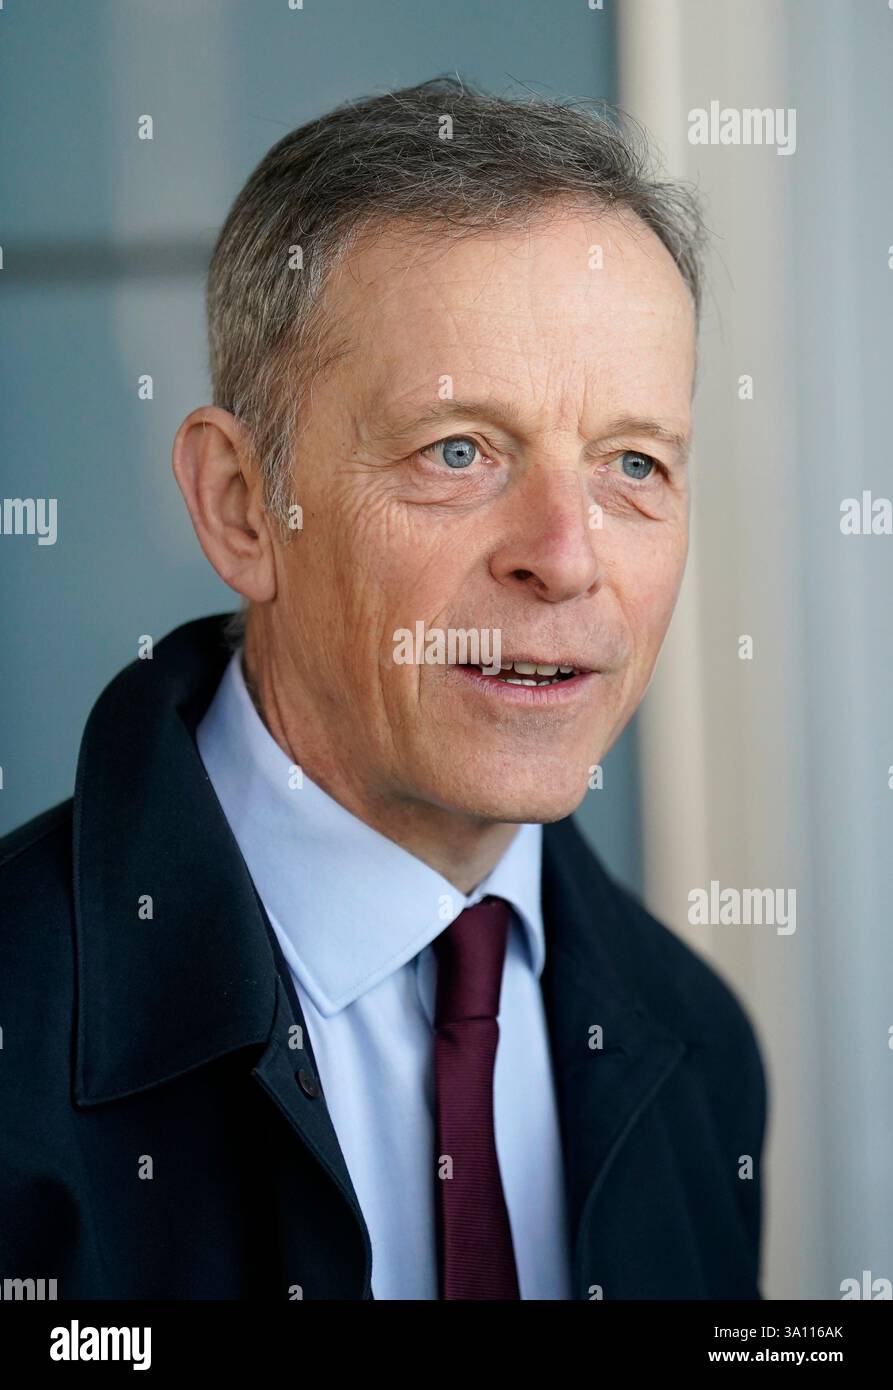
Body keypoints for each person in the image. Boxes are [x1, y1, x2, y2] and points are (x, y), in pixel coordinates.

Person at [0, 77, 767, 1300]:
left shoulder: (702, 1052)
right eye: (456, 451)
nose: (564, 556)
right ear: (243, 505)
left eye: (632, 464)